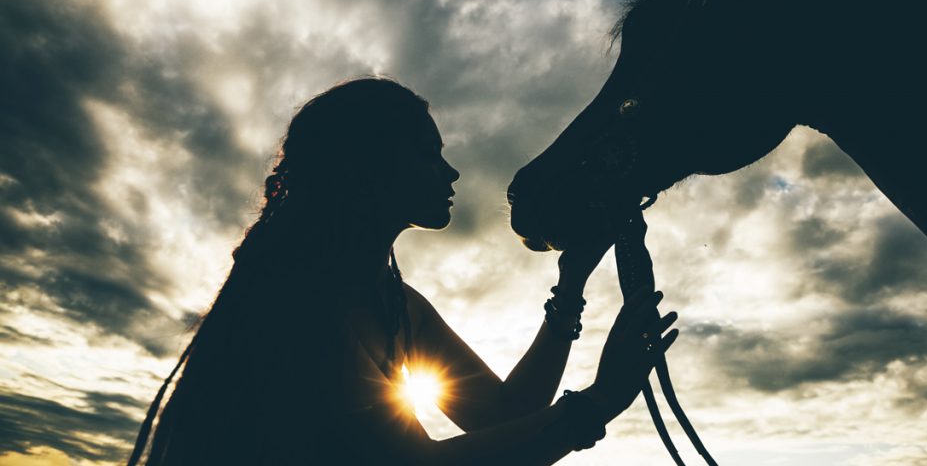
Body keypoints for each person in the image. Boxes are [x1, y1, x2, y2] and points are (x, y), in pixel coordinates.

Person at [127, 77, 679, 465]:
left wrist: (570, 290)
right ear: (369, 163)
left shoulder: (396, 302)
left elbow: (504, 415)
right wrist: (604, 398)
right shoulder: (297, 303)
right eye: (428, 154)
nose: (451, 170)